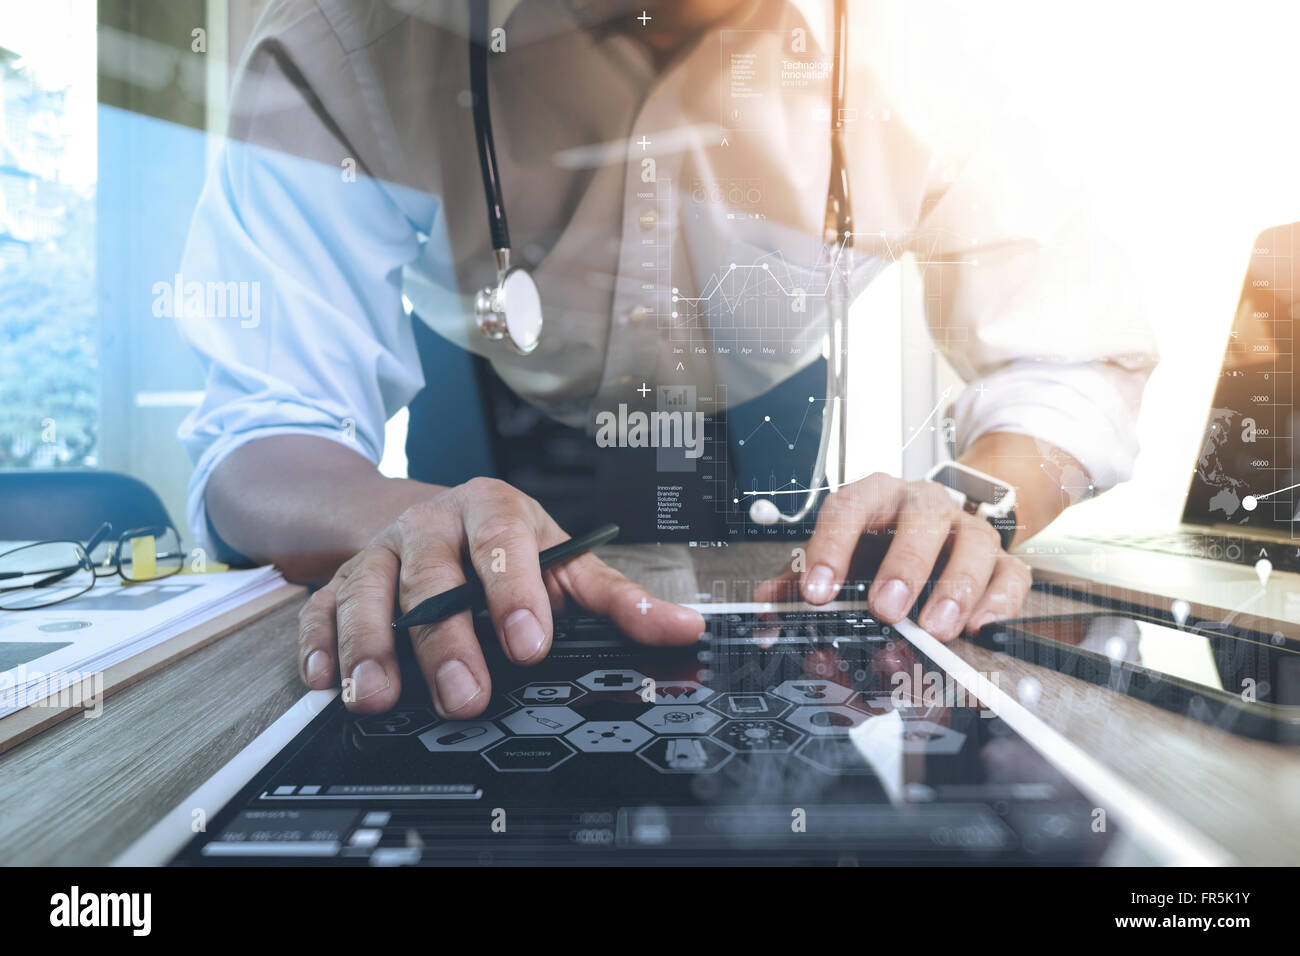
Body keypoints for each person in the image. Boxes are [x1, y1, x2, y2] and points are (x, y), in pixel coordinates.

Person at [175, 0, 1157, 719]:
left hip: (771, 501)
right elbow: (267, 429)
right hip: (471, 461)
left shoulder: (942, 50)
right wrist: (400, 518)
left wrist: (969, 498)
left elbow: (1068, 360)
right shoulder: (347, 37)